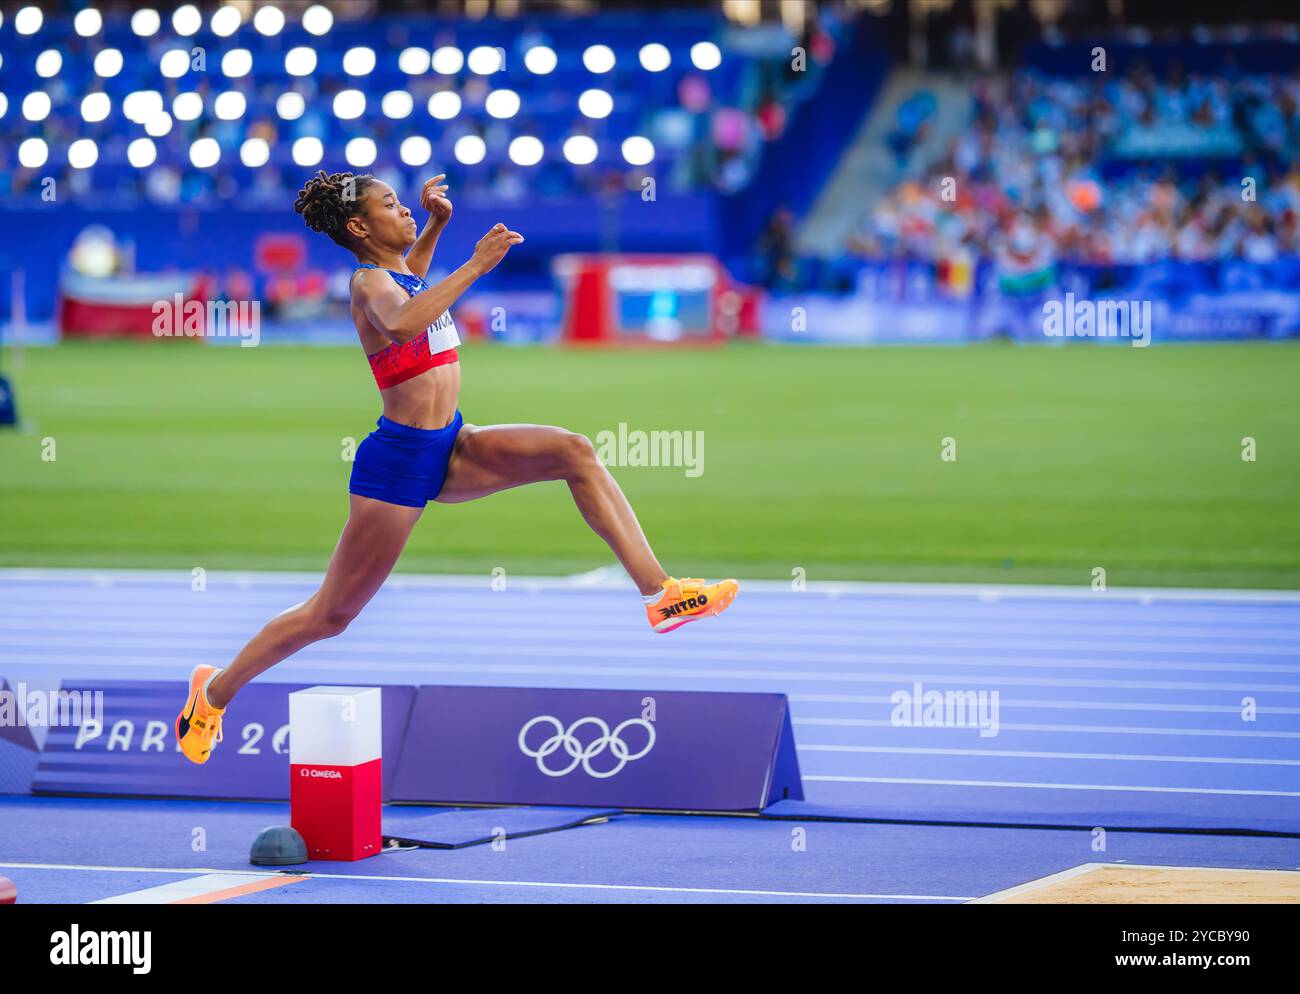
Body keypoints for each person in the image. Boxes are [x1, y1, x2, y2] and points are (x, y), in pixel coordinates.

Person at [174, 169, 739, 765]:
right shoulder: (369, 284)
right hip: (399, 466)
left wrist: (439, 224)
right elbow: (402, 321)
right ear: (361, 225)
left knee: (574, 451)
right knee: (331, 615)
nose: (405, 210)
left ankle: (660, 592)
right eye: (392, 205)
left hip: (451, 440)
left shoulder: (396, 275)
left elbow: (412, 285)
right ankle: (212, 694)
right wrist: (475, 265)